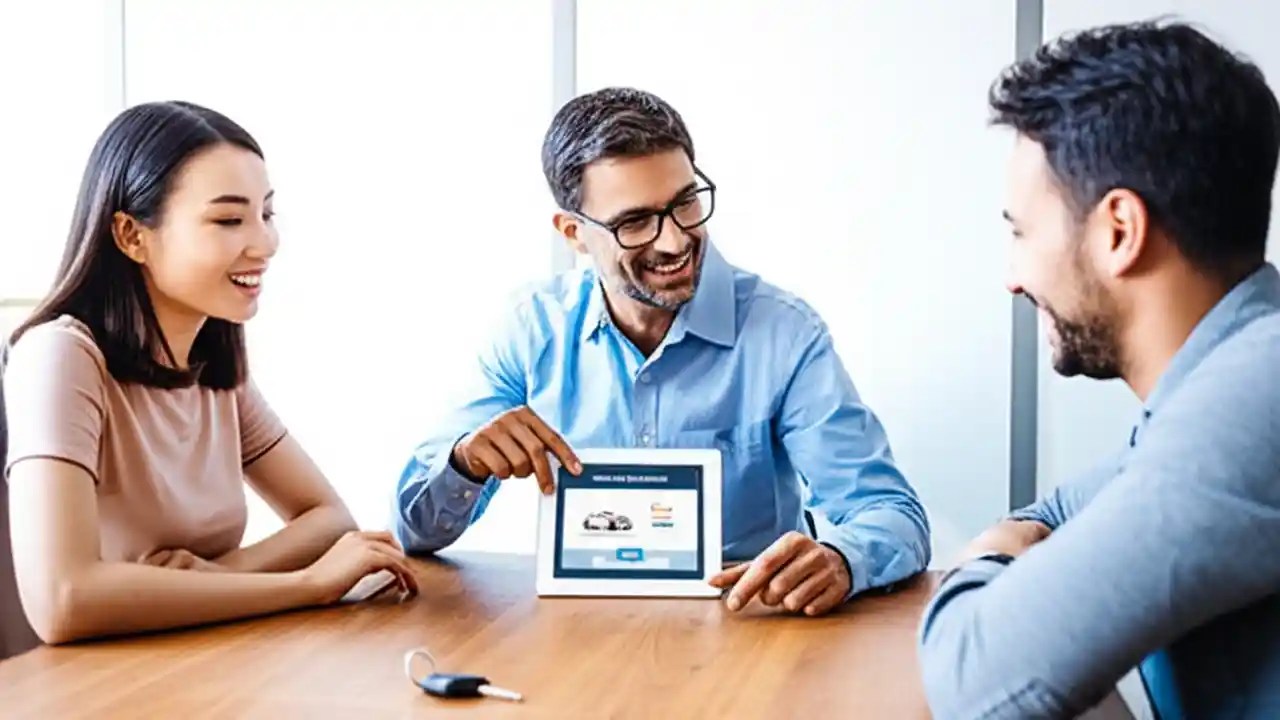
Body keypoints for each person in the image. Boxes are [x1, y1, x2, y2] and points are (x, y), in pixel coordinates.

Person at [392, 87, 930, 616]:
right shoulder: (531, 329)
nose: (674, 241)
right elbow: (414, 531)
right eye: (635, 222)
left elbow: (890, 513)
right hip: (579, 640)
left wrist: (841, 557)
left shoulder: (785, 335)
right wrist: (464, 463)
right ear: (573, 233)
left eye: (685, 203)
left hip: (748, 636)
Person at [918, 21, 1280, 719]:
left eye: (1021, 233)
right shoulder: (1223, 378)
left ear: (1118, 231)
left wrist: (987, 561)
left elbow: (974, 682)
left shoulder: (1255, 399)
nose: (1013, 278)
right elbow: (1052, 513)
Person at [2, 101, 418, 645]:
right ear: (131, 236)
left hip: (188, 662)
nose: (265, 243)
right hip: (87, 686)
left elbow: (327, 517)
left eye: (265, 214)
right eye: (228, 219)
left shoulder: (213, 362)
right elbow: (63, 601)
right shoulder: (60, 356)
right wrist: (308, 584)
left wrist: (219, 579)